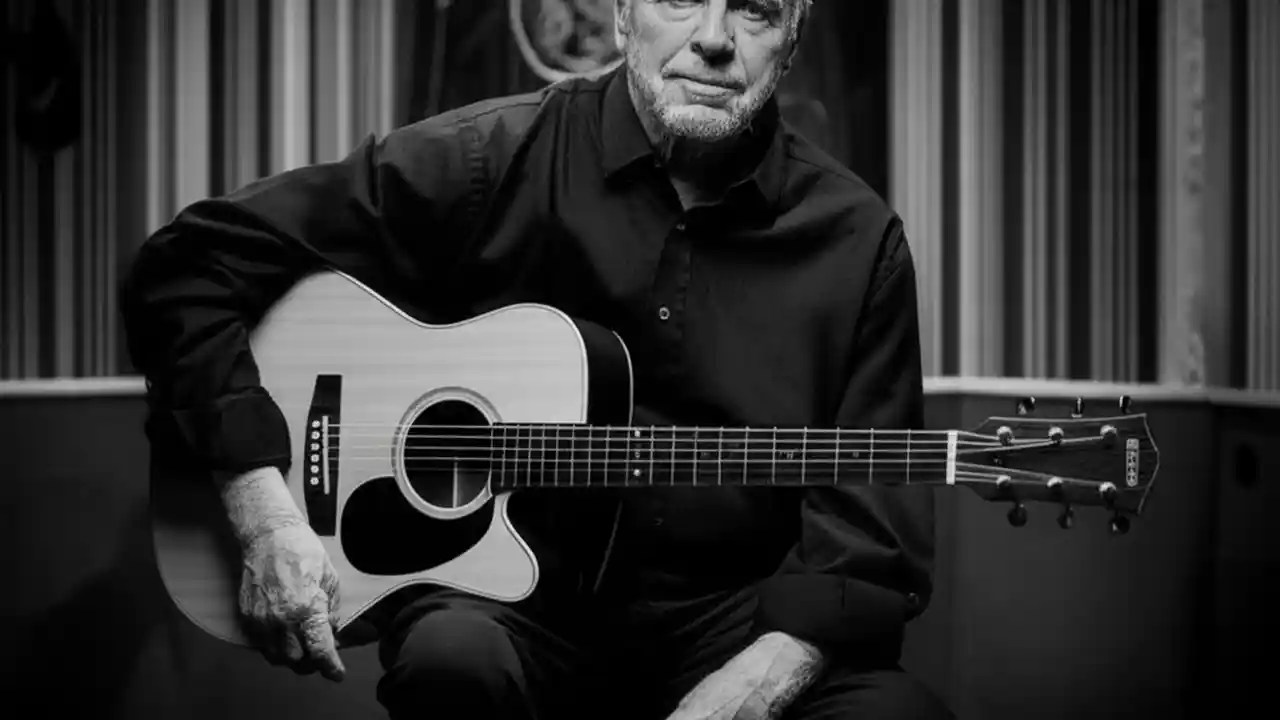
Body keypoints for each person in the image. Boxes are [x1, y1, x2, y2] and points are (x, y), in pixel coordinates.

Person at [121, 1, 953, 718]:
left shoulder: (857, 242)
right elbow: (187, 267)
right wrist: (261, 509)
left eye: (755, 9)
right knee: (452, 660)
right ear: (621, 14)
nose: (711, 36)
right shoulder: (488, 158)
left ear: (792, 38)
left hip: (735, 622)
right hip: (511, 611)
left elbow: (868, 532)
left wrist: (761, 682)